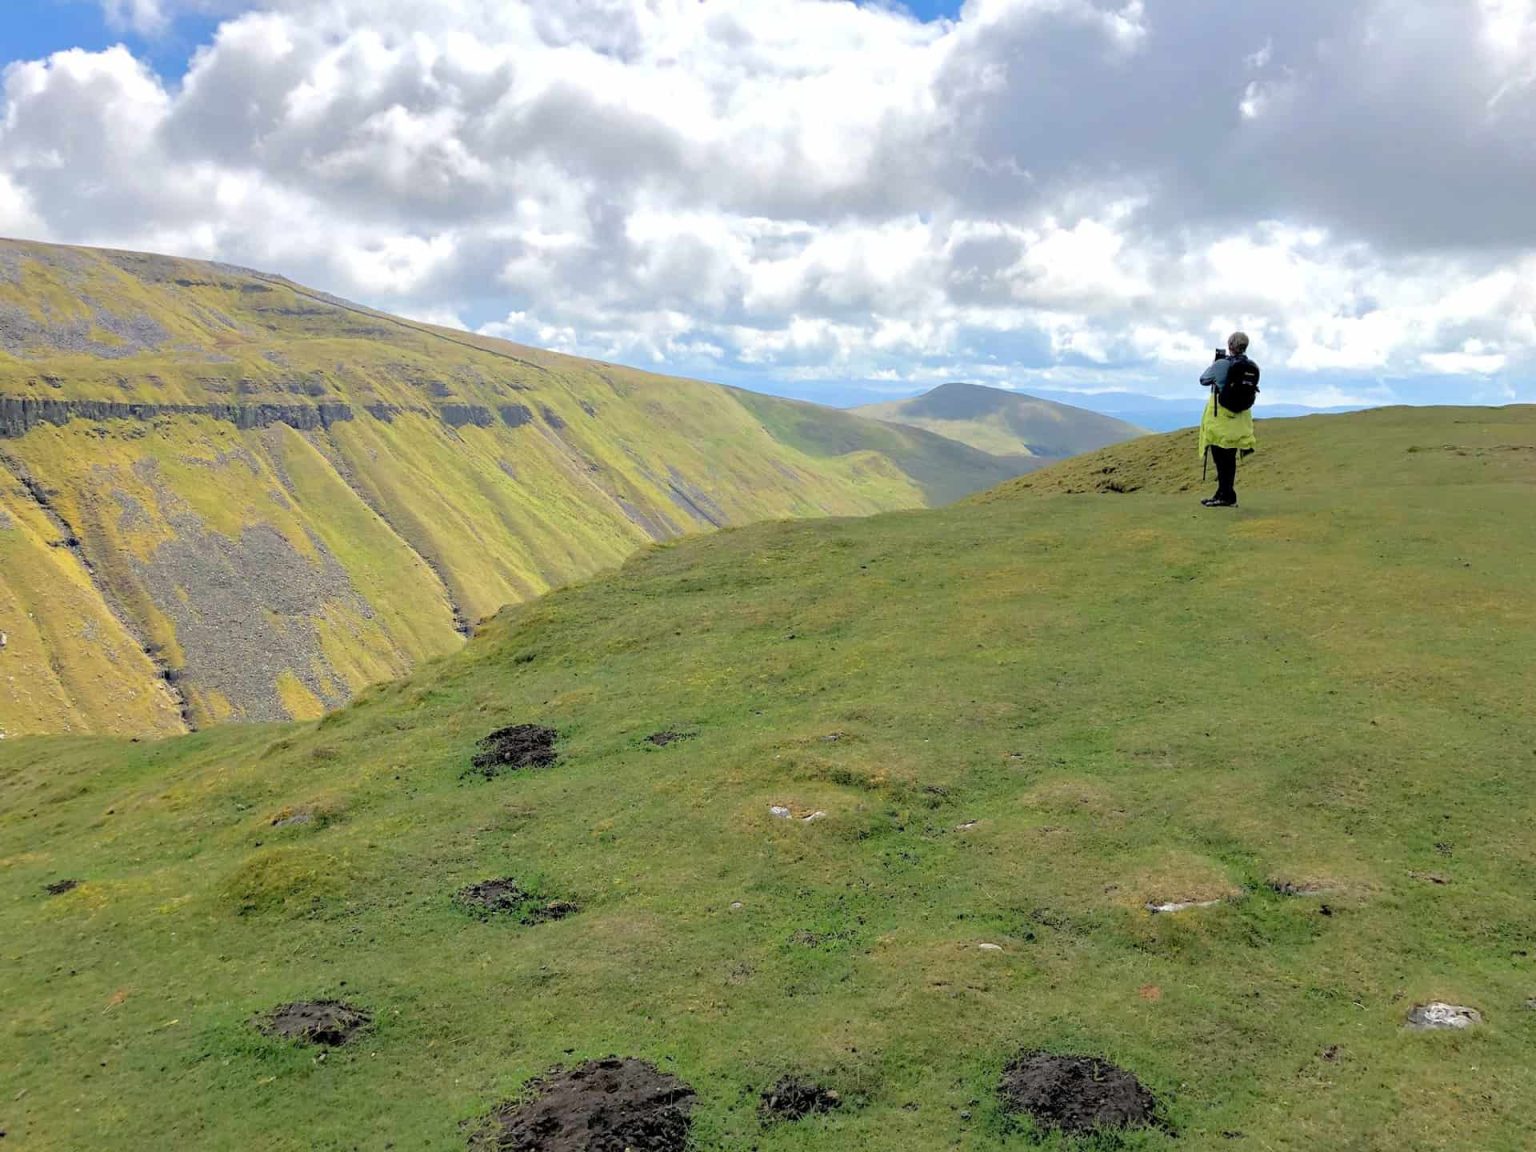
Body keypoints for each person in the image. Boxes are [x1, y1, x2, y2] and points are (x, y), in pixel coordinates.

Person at [1198, 331, 1259, 507]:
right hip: (1241, 418)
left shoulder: (1222, 364)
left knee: (1220, 457)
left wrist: (1215, 363)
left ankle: (1226, 496)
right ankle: (1224, 493)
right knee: (1229, 458)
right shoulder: (1252, 366)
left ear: (1230, 346)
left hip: (1222, 418)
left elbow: (1203, 380)